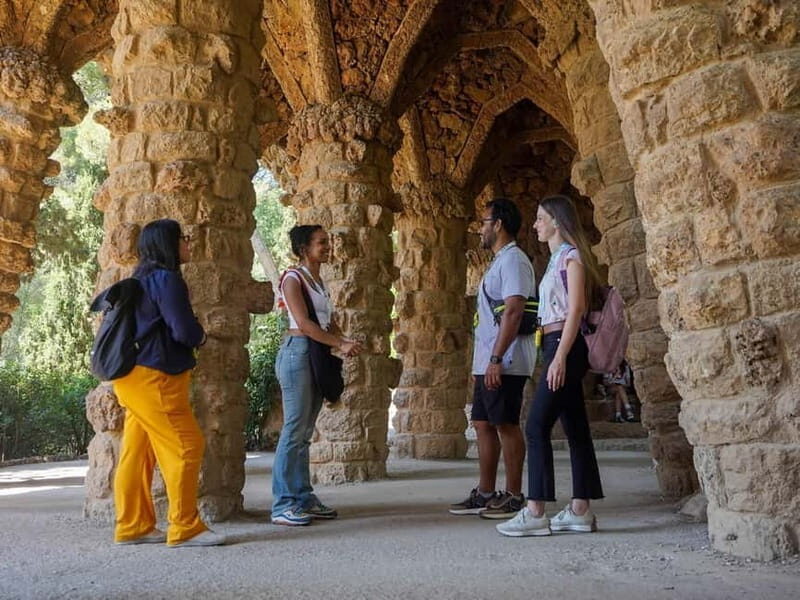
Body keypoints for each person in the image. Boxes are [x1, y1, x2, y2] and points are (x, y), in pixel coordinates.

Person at [112, 219, 224, 547]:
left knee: (137, 452)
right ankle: (185, 527)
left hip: (131, 378)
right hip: (155, 378)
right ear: (168, 244)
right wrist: (201, 336)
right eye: (183, 239)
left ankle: (133, 526)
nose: (188, 244)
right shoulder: (166, 279)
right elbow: (184, 331)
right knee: (187, 445)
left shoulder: (139, 280)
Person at [497, 194, 604, 537]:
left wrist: (559, 358)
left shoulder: (572, 257)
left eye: (541, 218)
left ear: (557, 221)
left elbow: (576, 310)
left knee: (535, 425)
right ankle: (580, 510)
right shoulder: (558, 258)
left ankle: (535, 511)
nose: (535, 225)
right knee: (576, 428)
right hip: (555, 344)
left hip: (563, 346)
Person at [449, 198, 536, 520]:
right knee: (483, 423)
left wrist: (497, 358)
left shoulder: (514, 261)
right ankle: (485, 492)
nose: (480, 229)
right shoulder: (499, 261)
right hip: (489, 360)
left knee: (505, 424)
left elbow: (514, 311)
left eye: (484, 222)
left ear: (498, 224)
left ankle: (514, 495)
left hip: (506, 360)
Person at [272, 225, 362, 526]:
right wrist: (340, 344)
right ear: (303, 249)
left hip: (312, 353)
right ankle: (283, 503)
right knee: (294, 430)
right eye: (321, 242)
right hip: (297, 353)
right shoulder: (292, 279)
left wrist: (343, 341)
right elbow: (304, 324)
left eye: (327, 241)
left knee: (304, 433)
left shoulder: (318, 281)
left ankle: (303, 497)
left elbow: (326, 322)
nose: (327, 246)